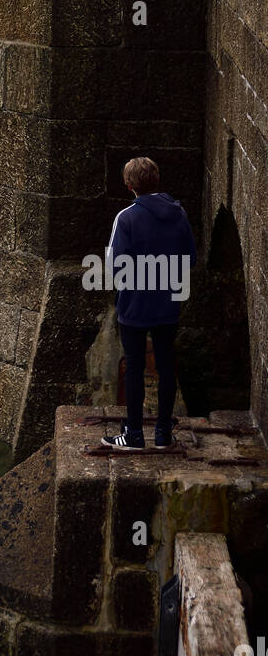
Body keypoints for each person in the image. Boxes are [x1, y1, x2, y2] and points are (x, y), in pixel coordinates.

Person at [102, 157, 197, 451]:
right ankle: (163, 433)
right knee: (167, 364)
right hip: (167, 301)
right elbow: (190, 258)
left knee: (134, 366)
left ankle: (133, 434)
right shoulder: (178, 214)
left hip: (135, 303)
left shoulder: (126, 217)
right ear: (157, 180)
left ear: (129, 186)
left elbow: (113, 266)